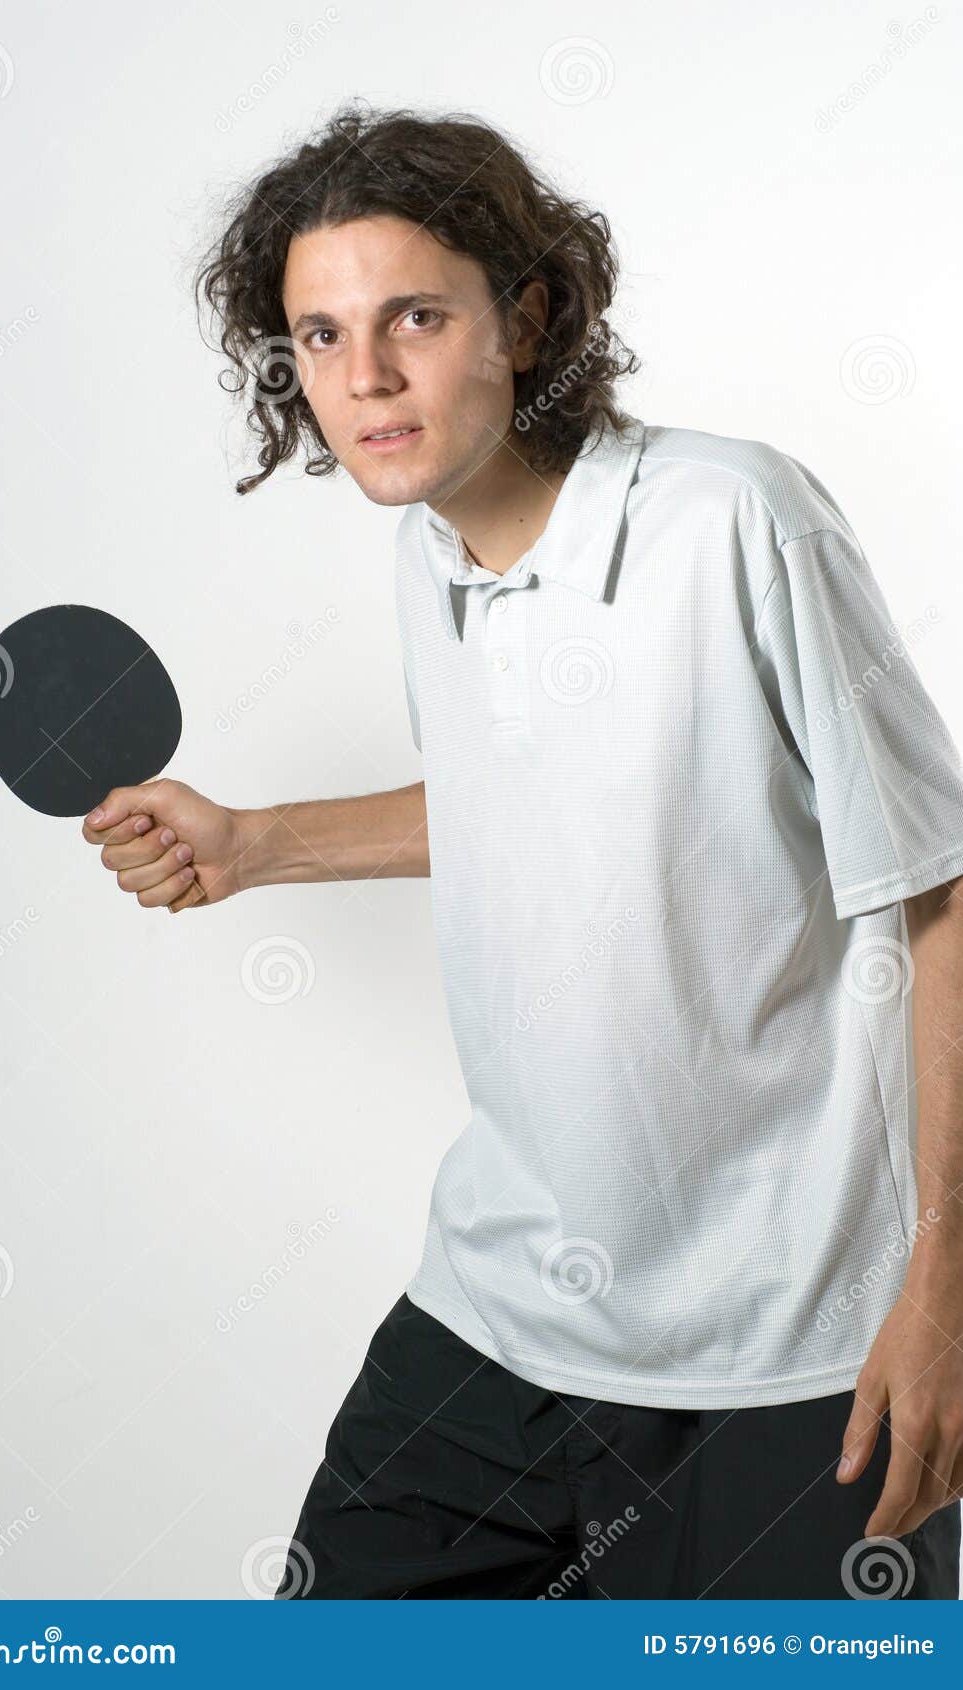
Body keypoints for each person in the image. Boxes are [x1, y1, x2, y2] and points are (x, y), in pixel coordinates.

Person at [82, 102, 963, 1599]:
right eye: (315, 335)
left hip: (794, 1342)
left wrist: (945, 1284)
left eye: (412, 316)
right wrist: (254, 843)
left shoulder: (737, 520)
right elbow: (531, 798)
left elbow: (937, 889)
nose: (362, 377)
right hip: (496, 1308)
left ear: (527, 313)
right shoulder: (427, 546)